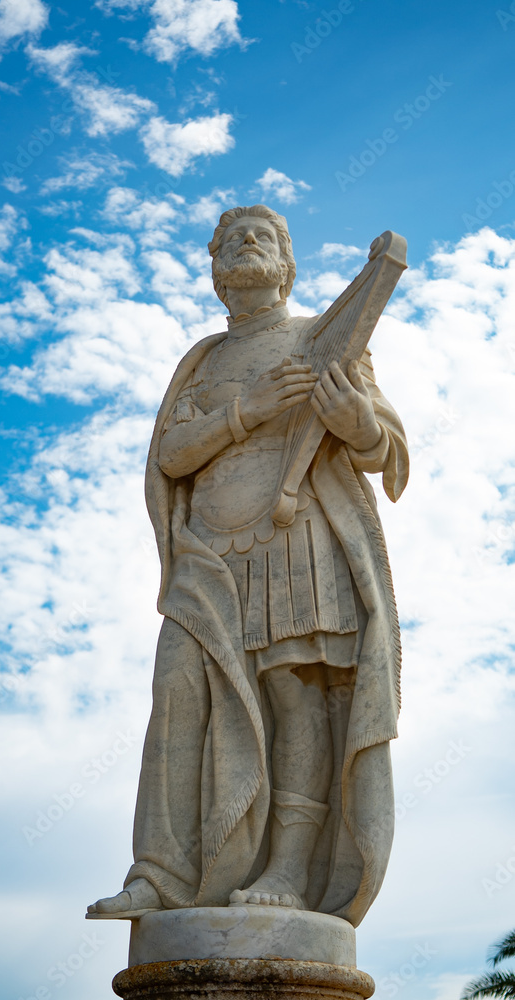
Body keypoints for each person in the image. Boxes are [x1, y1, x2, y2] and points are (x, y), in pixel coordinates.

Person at [88, 205, 408, 927]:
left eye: (264, 235)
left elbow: (383, 446)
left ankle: (288, 869)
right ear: (215, 269)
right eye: (233, 238)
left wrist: (357, 423)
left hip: (297, 540)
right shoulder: (201, 361)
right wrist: (249, 410)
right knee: (177, 691)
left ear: (287, 265)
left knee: (296, 696)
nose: (248, 242)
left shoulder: (326, 337)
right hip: (208, 555)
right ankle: (163, 874)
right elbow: (172, 457)